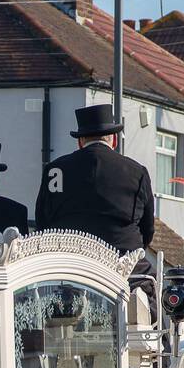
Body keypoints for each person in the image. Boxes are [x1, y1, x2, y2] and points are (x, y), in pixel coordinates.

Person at [34, 104, 155, 269]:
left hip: (67, 262)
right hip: (122, 264)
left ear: (80, 142)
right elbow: (147, 229)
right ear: (114, 140)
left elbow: (42, 222)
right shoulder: (137, 172)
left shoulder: (55, 170)